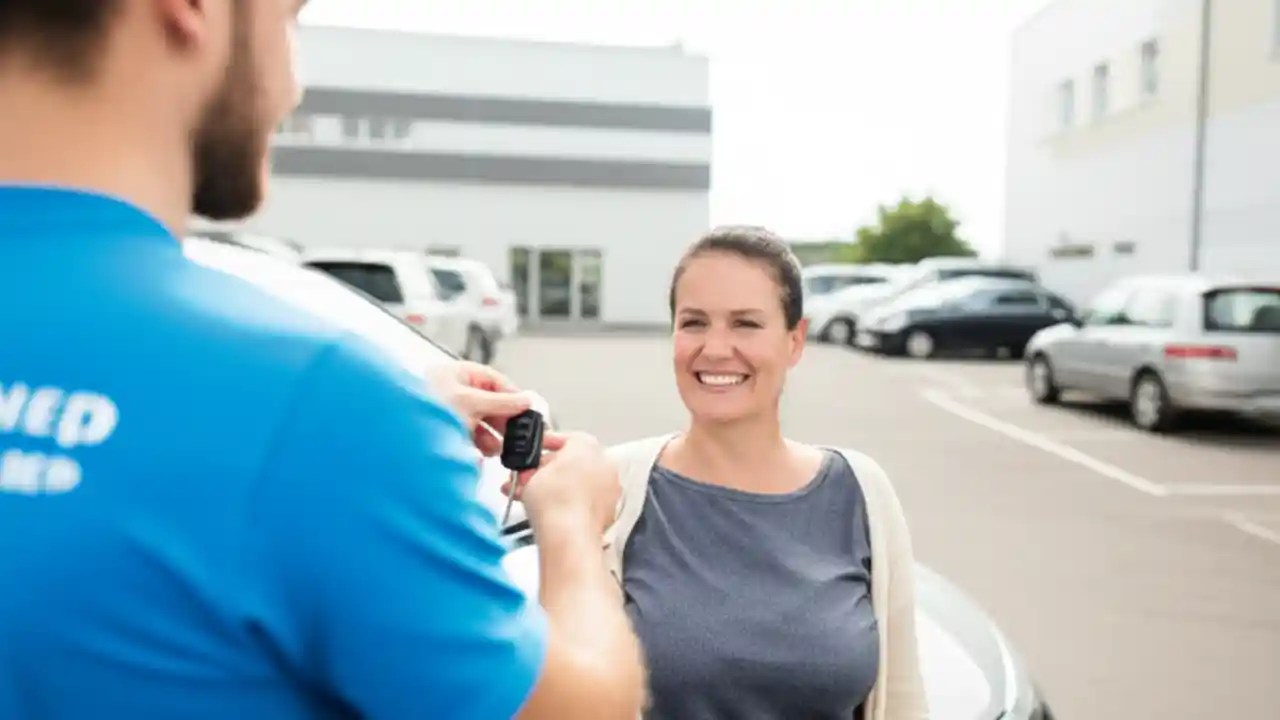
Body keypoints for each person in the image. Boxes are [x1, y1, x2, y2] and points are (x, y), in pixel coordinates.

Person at [0, 2, 644, 719]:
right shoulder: (319, 406)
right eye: (289, 18)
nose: (293, 86)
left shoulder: (316, 414)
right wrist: (573, 524)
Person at [603, 226, 929, 719]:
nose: (714, 348)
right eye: (694, 322)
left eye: (746, 324)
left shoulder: (862, 492)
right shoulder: (614, 486)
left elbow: (903, 702)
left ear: (794, 341)